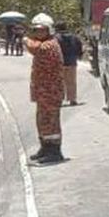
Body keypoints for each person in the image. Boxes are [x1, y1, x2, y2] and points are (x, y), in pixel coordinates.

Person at [25, 13, 65, 165]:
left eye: (42, 30)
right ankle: (45, 147)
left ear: (49, 30)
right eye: (36, 30)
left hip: (51, 92)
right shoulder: (44, 43)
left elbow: (36, 48)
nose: (39, 33)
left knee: (50, 122)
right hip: (43, 92)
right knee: (42, 120)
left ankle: (54, 151)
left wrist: (25, 39)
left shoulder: (50, 45)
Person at [55, 22, 83, 106]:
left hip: (60, 62)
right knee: (72, 82)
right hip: (72, 62)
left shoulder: (56, 38)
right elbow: (79, 45)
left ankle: (59, 99)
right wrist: (79, 55)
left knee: (60, 82)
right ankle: (72, 99)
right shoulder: (74, 37)